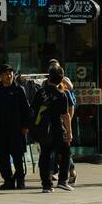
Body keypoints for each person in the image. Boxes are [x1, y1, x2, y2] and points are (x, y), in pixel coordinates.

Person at [31, 64, 74, 193]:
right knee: (65, 152)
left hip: (42, 129)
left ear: (49, 78)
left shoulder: (40, 92)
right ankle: (62, 181)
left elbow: (33, 110)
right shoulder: (61, 95)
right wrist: (69, 133)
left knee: (44, 155)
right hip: (56, 129)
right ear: (61, 80)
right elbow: (66, 116)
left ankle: (46, 185)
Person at [0, 64, 29, 189]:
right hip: (2, 129)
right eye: (6, 73)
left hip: (17, 129)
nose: (9, 75)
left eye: (10, 72)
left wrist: (25, 125)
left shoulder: (19, 89)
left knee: (17, 156)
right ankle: (8, 180)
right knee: (3, 158)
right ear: (1, 76)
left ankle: (20, 180)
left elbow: (26, 109)